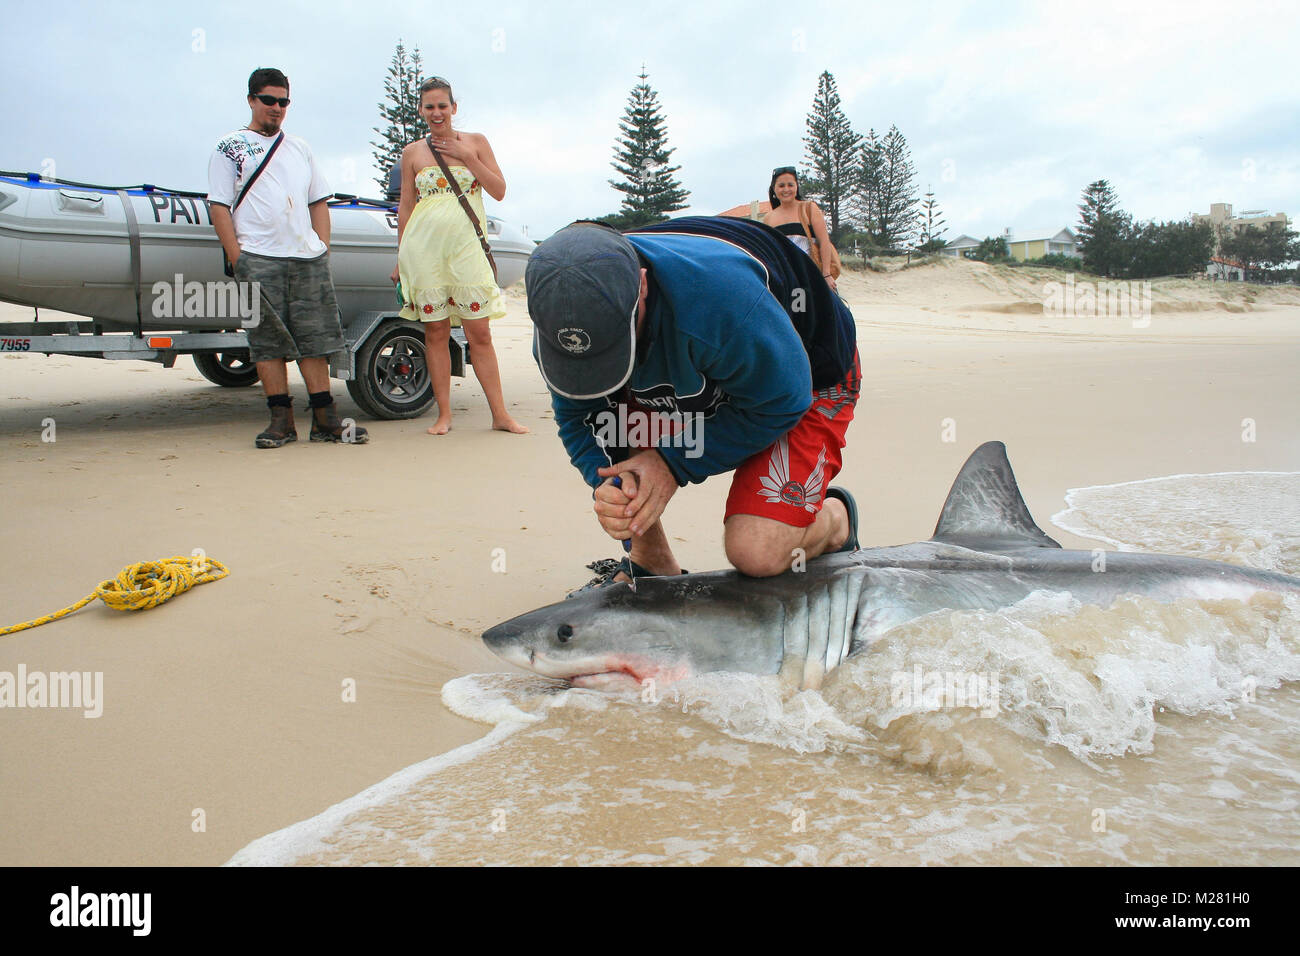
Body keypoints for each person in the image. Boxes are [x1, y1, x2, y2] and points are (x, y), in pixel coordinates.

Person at [525, 217, 861, 586]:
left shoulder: (721, 302)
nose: (595, 363)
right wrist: (608, 487)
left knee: (758, 552)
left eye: (615, 344)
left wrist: (672, 462)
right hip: (701, 363)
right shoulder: (564, 321)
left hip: (801, 376)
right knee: (615, 420)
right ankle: (652, 561)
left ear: (641, 283)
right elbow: (579, 416)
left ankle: (834, 522)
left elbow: (783, 400)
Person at [209, 67, 367, 448]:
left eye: (283, 102)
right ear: (251, 100)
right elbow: (218, 205)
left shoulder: (300, 147)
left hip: (306, 259)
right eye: (269, 100)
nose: (276, 108)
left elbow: (319, 201)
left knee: (316, 339)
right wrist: (237, 256)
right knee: (267, 342)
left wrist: (322, 247)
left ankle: (325, 419)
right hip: (258, 257)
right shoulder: (229, 146)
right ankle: (280, 420)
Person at [389, 77, 527, 435]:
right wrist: (399, 259)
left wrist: (467, 157)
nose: (437, 113)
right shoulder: (412, 153)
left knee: (479, 333)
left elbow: (498, 190)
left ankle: (500, 415)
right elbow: (406, 208)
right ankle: (444, 415)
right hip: (424, 252)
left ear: (454, 108)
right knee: (435, 332)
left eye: (442, 106)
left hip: (467, 250)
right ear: (421, 110)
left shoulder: (477, 142)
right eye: (429, 106)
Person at [759, 166, 839, 293]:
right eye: (781, 186)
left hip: (812, 276)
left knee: (823, 312)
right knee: (792, 311)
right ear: (774, 189)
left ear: (796, 186)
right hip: (785, 280)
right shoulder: (769, 218)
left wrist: (826, 275)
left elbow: (824, 242)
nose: (786, 189)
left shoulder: (809, 208)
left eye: (790, 185)